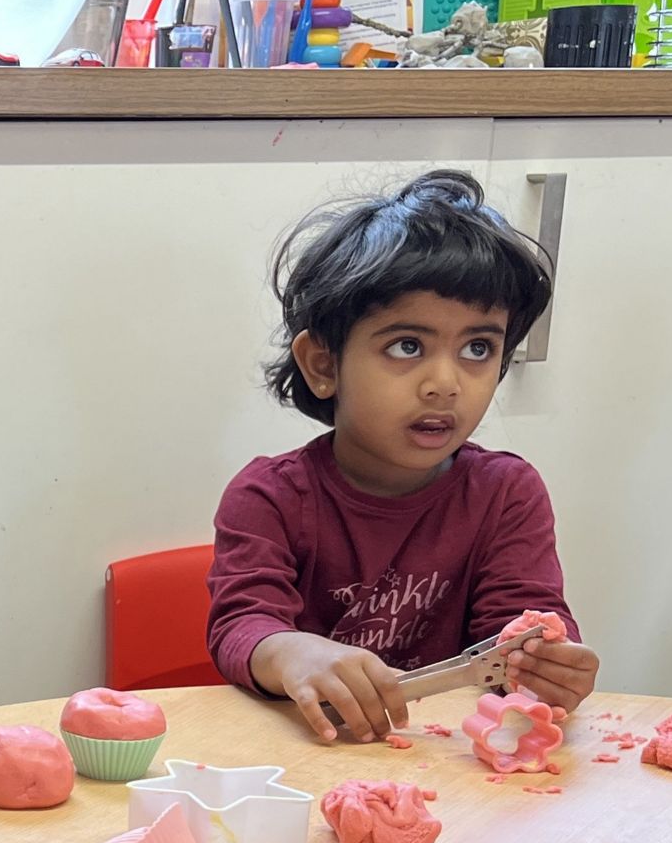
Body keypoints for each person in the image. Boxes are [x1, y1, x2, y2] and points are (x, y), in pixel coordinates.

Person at [206, 169, 600, 744]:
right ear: (323, 365)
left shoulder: (505, 492)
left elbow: (519, 626)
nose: (445, 383)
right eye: (406, 346)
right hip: (308, 754)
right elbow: (242, 625)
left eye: (477, 348)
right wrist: (294, 654)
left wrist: (544, 665)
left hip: (447, 760)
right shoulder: (269, 495)